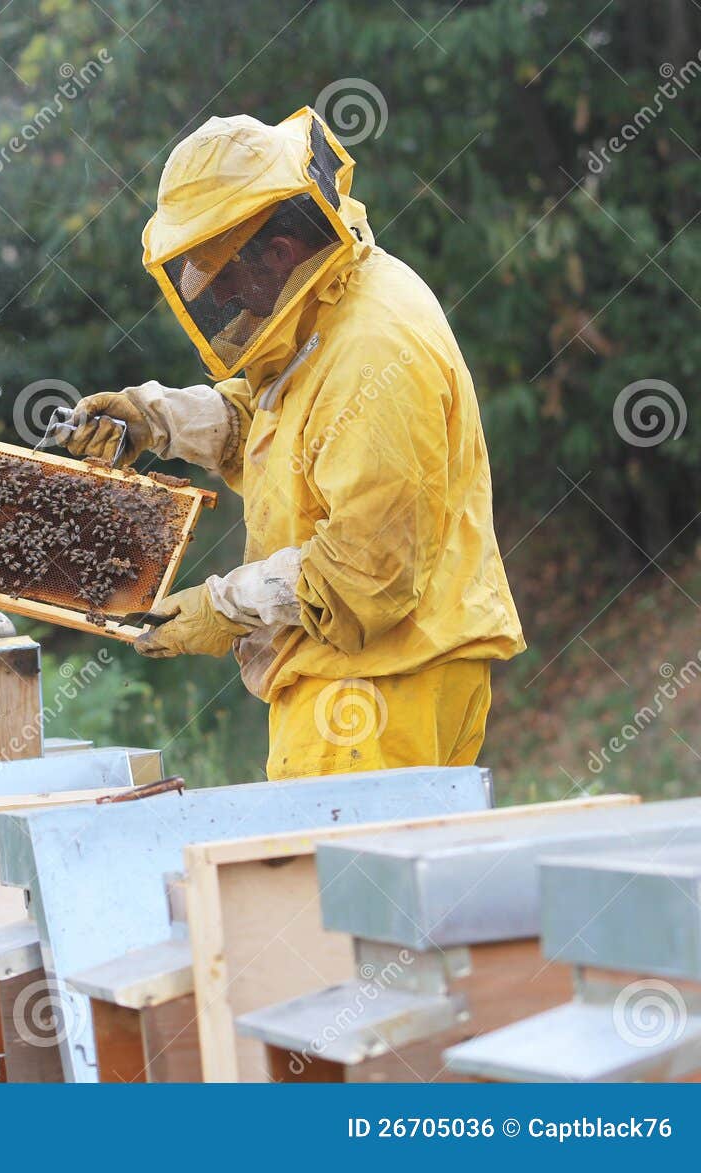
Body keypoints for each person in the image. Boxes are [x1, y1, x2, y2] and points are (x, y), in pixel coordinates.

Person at [63, 107, 524, 780]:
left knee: (331, 886)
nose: (217, 295)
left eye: (220, 274)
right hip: (380, 678)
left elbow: (365, 576)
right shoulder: (331, 308)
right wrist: (153, 418)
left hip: (372, 691)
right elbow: (281, 426)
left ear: (277, 253)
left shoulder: (375, 351)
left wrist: (223, 606)